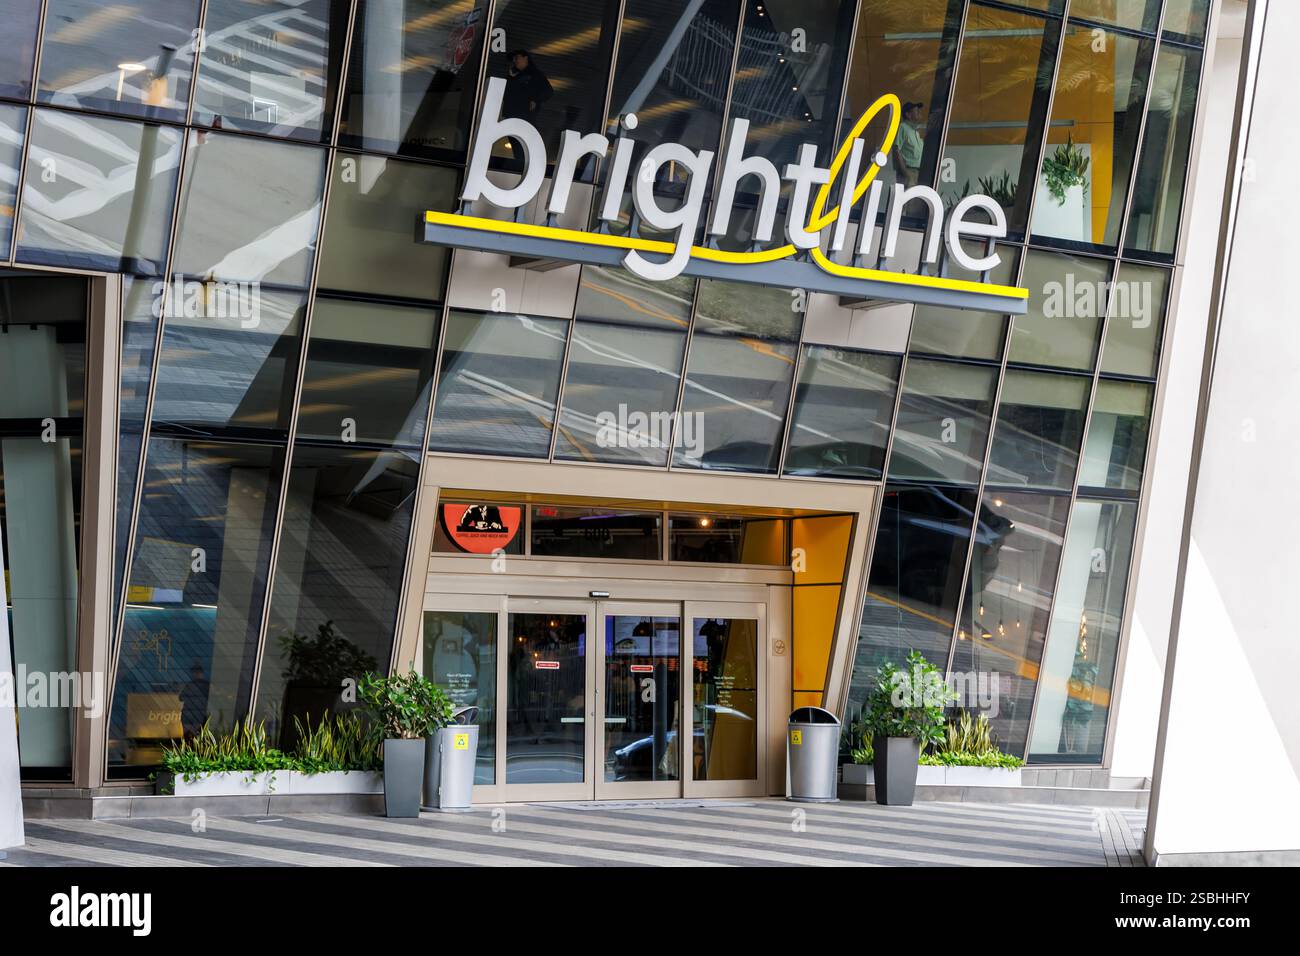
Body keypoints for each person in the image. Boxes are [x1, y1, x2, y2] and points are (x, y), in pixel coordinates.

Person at [501, 49, 552, 121]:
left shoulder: (535, 74)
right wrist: (510, 78)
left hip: (525, 118)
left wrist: (536, 100)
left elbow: (548, 91)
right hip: (509, 117)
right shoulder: (513, 75)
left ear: (525, 58)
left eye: (516, 58)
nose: (514, 61)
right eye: (513, 59)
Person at [894, 101, 926, 187]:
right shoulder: (903, 127)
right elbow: (897, 150)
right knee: (909, 194)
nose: (919, 112)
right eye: (916, 111)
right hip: (909, 171)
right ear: (908, 114)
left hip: (919, 172)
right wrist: (905, 171)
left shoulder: (915, 131)